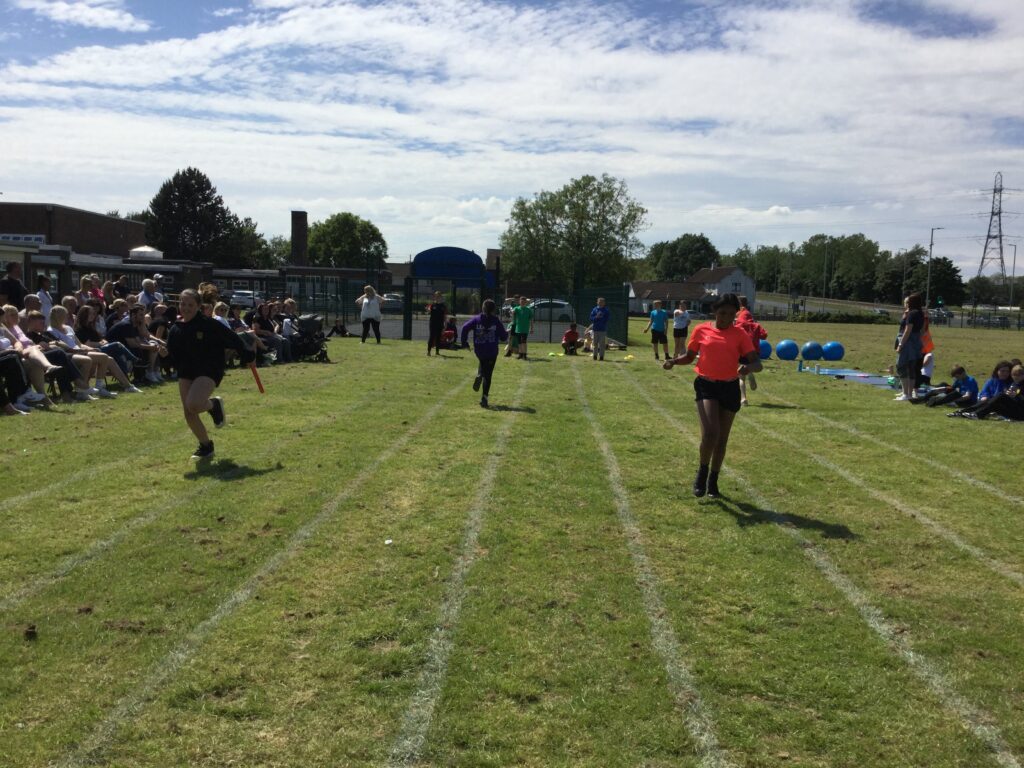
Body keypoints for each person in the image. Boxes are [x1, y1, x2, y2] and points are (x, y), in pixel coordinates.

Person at [663, 293, 762, 498]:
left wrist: (747, 367)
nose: (725, 317)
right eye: (721, 313)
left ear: (736, 314)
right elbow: (690, 357)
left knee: (722, 439)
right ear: (714, 311)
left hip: (730, 387)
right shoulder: (701, 330)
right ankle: (702, 472)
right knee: (710, 433)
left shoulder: (740, 334)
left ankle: (713, 481)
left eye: (730, 314)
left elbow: (757, 363)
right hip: (706, 385)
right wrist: (674, 361)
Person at [166, 288, 255, 461]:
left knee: (194, 403)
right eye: (183, 304)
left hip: (209, 369)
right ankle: (206, 446)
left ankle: (213, 406)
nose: (185, 308)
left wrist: (247, 355)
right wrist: (166, 356)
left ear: (199, 306)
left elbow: (234, 339)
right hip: (186, 370)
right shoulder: (176, 329)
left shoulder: (209, 324)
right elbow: (172, 353)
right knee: (189, 412)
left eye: (190, 305)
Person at [460, 299, 509, 409]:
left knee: (483, 362)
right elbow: (503, 337)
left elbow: (464, 327)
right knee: (488, 375)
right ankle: (484, 398)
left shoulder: (477, 319)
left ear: (483, 308)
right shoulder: (496, 321)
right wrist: (507, 332)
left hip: (479, 350)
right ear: (493, 310)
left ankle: (480, 374)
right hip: (491, 351)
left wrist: (464, 342)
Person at [894, 293, 925, 402]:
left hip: (908, 342)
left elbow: (907, 330)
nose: (906, 303)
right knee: (911, 368)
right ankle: (908, 393)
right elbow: (922, 331)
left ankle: (906, 394)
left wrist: (901, 345)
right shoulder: (921, 313)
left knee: (901, 366)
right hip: (916, 342)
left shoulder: (912, 314)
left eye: (908, 302)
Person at [735, 310, 767, 406]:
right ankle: (750, 373)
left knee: (741, 377)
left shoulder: (738, 325)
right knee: (753, 366)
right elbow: (764, 336)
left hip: (741, 353)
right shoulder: (756, 325)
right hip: (753, 353)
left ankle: (743, 398)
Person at [913, 365, 978, 407]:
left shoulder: (970, 381)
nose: (957, 379)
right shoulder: (959, 379)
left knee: (955, 394)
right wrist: (941, 389)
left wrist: (954, 400)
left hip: (968, 402)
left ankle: (934, 402)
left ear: (963, 373)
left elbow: (967, 396)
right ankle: (923, 399)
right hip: (959, 397)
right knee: (944, 384)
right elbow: (951, 388)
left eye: (957, 377)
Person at [427, 291, 447, 356]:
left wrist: (445, 325)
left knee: (438, 337)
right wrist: (428, 309)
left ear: (441, 297)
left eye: (439, 296)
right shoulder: (432, 305)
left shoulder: (443, 306)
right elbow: (429, 311)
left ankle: (437, 351)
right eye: (436, 296)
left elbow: (445, 316)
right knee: (431, 337)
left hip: (440, 324)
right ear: (434, 297)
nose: (437, 297)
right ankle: (428, 351)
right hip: (432, 324)